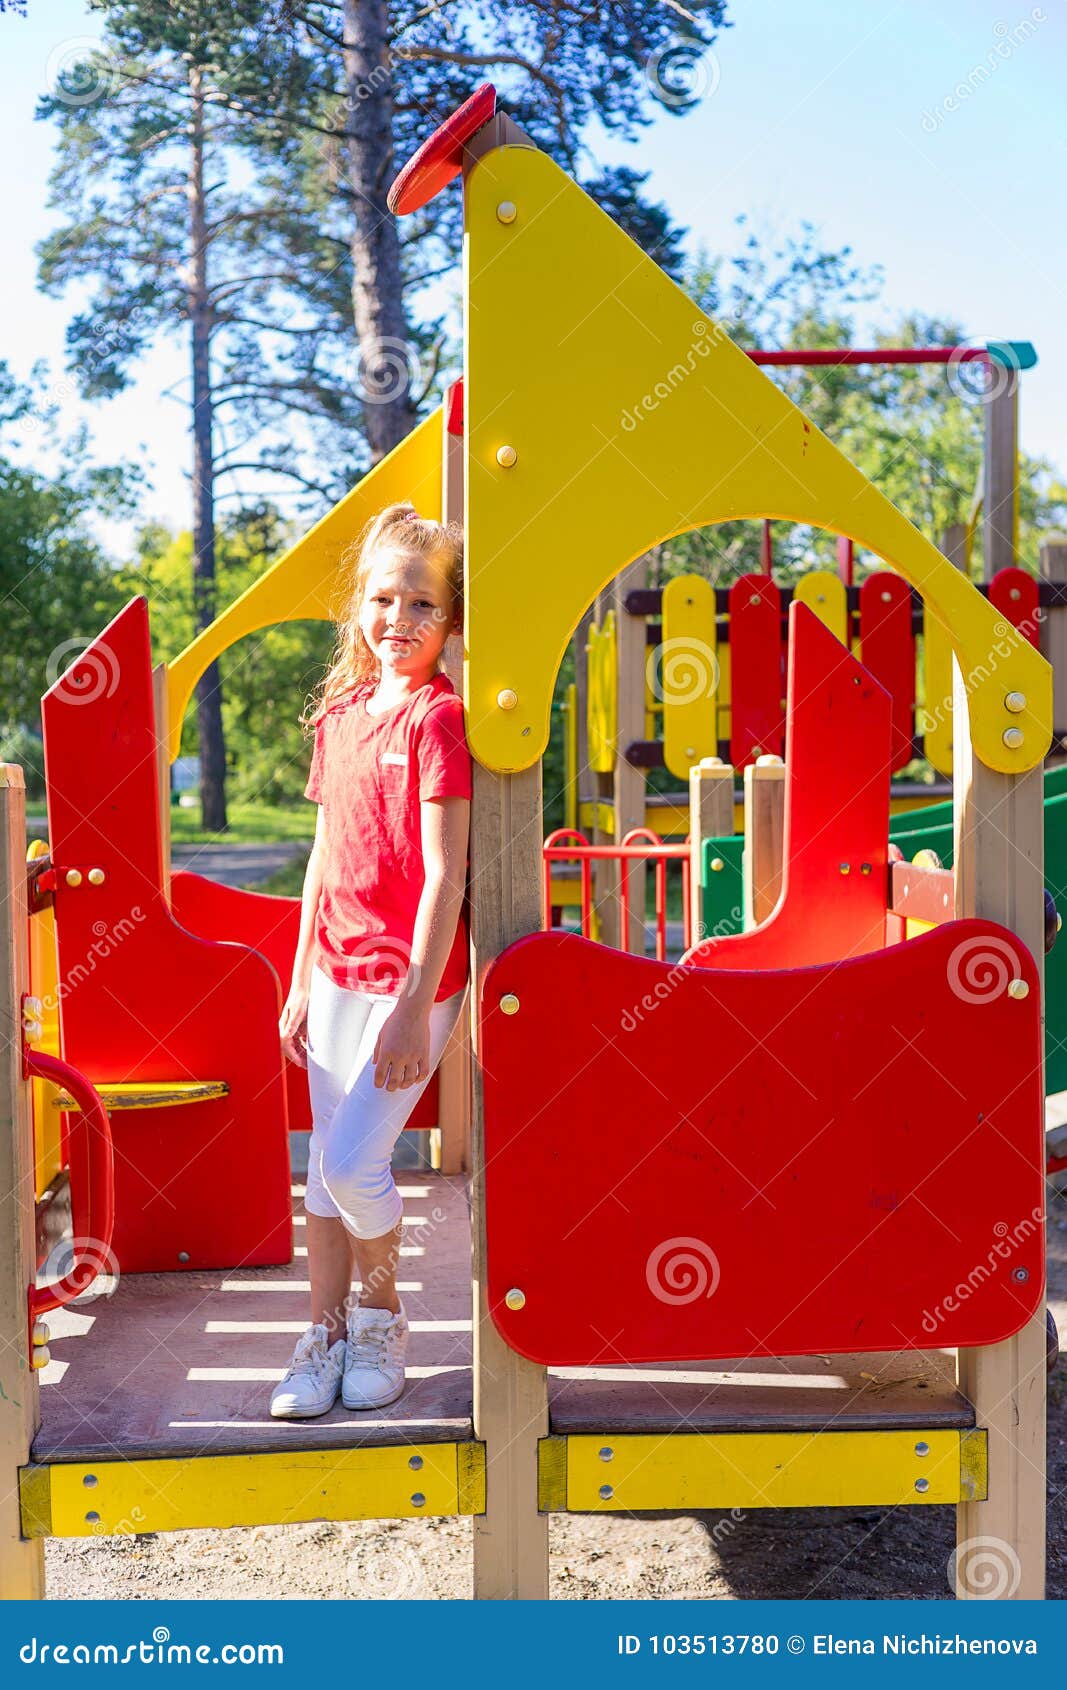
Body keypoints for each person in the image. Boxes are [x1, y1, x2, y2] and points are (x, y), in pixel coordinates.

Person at [270, 502, 471, 1418]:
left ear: (451, 620)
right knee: (322, 1172)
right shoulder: (342, 717)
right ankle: (323, 1335)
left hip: (409, 988)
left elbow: (443, 876)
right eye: (385, 599)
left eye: (422, 605)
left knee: (354, 1167)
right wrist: (304, 971)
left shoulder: (439, 719)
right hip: (337, 976)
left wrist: (411, 1002)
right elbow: (323, 856)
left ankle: (382, 1317)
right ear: (360, 606)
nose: (400, 619)